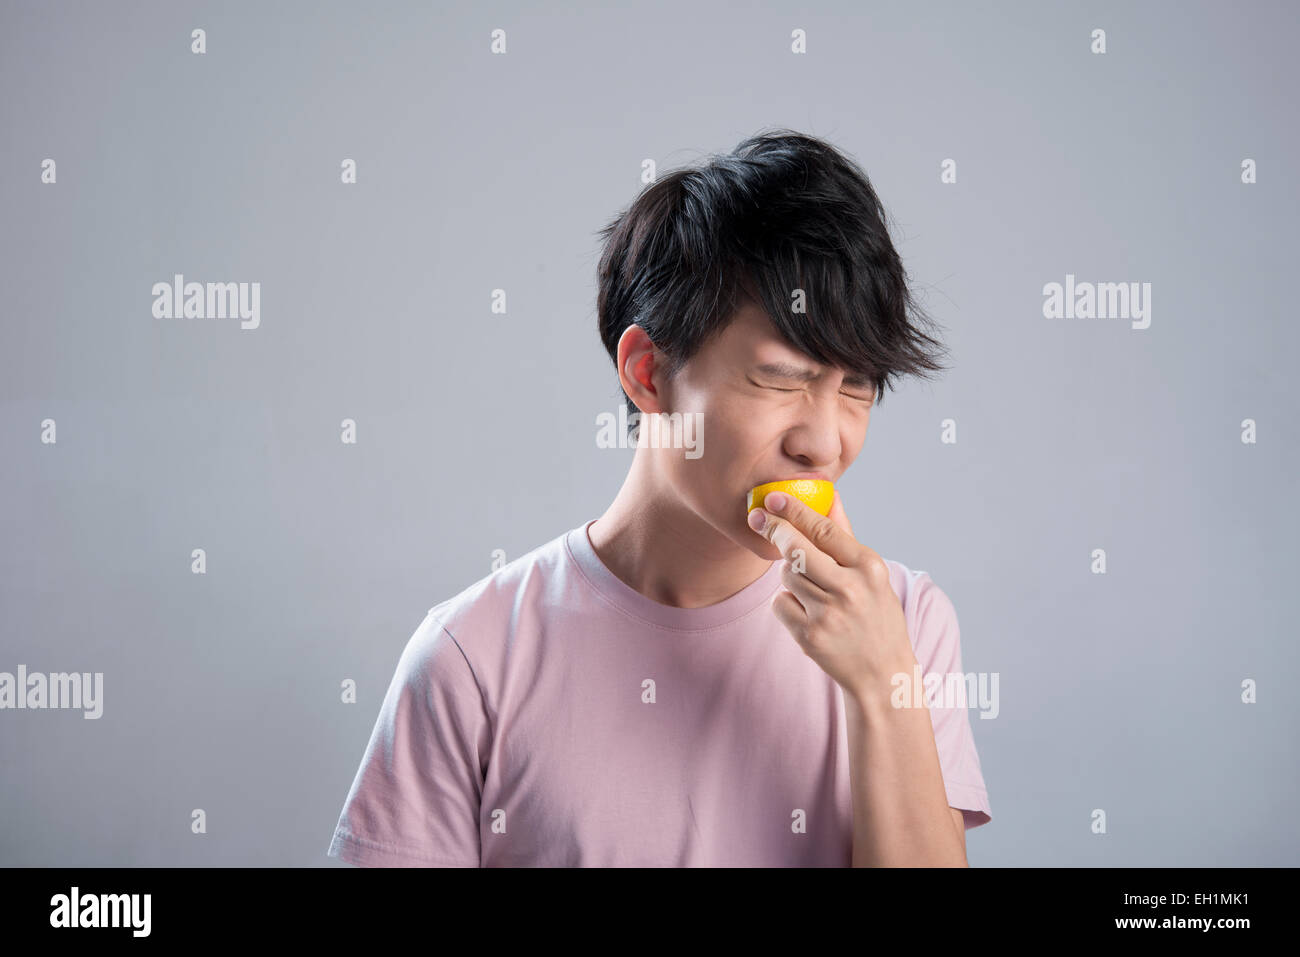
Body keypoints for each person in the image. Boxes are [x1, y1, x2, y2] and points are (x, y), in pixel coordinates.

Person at [326, 129, 991, 867]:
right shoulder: (471, 659)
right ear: (649, 373)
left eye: (857, 388)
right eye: (782, 376)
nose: (825, 443)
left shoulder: (908, 623)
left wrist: (882, 687)